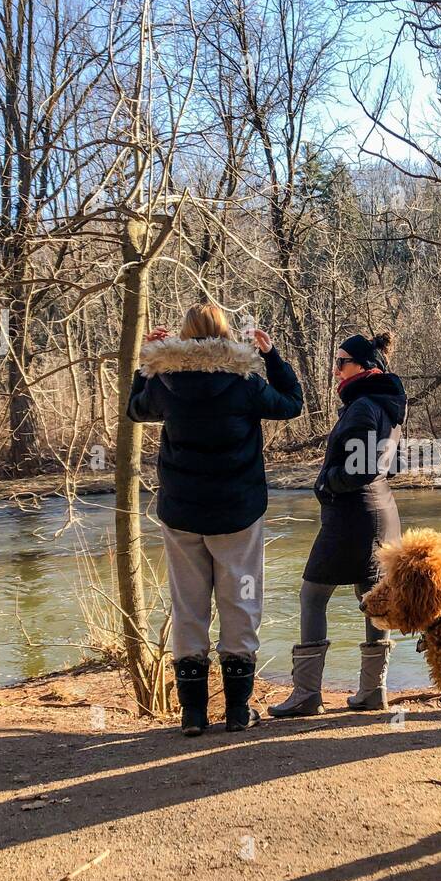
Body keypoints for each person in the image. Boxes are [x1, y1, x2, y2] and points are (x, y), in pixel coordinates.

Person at [127, 303, 303, 735]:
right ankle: (238, 714)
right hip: (238, 513)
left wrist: (147, 363)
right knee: (240, 603)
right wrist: (273, 357)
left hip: (182, 512)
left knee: (189, 606)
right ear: (226, 336)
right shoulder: (245, 383)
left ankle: (192, 716)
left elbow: (135, 411)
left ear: (184, 338)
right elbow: (292, 404)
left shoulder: (165, 382)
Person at [269, 331, 407, 717]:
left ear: (365, 367)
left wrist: (327, 482)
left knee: (312, 595)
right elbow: (390, 465)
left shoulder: (364, 405)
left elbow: (364, 466)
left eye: (341, 362)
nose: (334, 371)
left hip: (352, 517)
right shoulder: (386, 403)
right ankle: (372, 693)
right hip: (380, 511)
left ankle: (307, 695)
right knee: (371, 600)